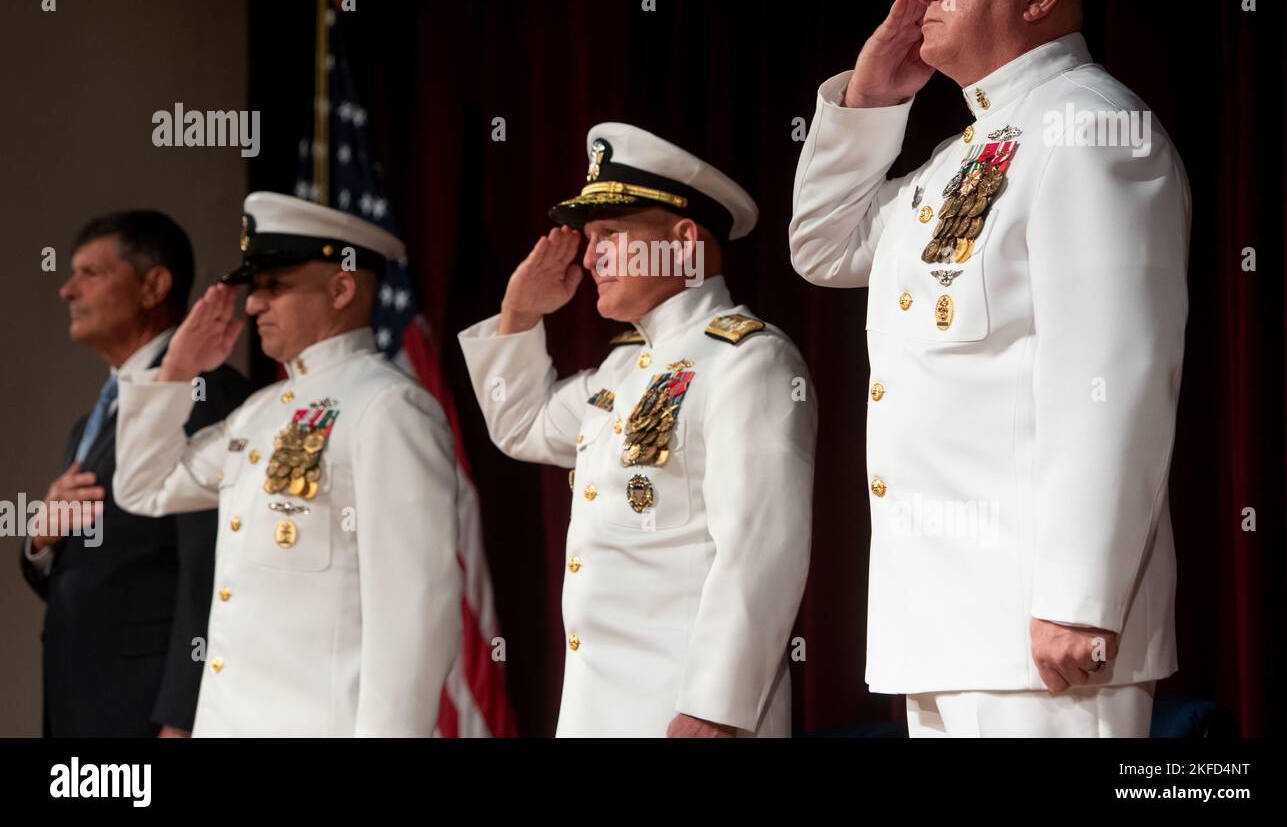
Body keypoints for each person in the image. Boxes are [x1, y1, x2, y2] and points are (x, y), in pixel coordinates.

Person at [789, 0, 1190, 738]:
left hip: (1041, 633)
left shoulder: (1091, 128)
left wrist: (1080, 596)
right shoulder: (962, 157)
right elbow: (823, 247)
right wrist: (868, 102)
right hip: (944, 628)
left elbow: (1113, 371)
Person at [460, 122, 816, 737]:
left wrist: (715, 709)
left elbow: (760, 549)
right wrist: (519, 314)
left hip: (689, 713)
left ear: (682, 241)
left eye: (609, 234)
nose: (590, 253)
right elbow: (520, 424)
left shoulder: (747, 360)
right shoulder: (623, 368)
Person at [112, 191, 462, 736]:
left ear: (342, 288)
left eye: (275, 287)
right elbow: (144, 488)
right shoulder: (259, 412)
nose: (253, 305)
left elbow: (412, 618)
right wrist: (176, 372)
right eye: (256, 289)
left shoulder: (387, 409)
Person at [21, 210, 251, 738]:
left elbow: (211, 573)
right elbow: (98, 579)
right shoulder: (89, 426)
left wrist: (183, 717)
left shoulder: (204, 393)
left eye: (90, 273)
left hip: (148, 715)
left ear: (153, 286)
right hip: (84, 707)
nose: (67, 290)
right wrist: (41, 540)